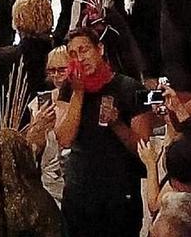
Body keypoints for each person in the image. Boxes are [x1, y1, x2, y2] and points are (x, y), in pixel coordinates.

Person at [54, 27, 152, 237]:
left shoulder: (132, 88)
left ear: (100, 49)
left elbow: (144, 150)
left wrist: (117, 124)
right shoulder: (69, 89)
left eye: (84, 50)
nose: (80, 58)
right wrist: (78, 93)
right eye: (73, 54)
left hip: (118, 195)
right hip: (79, 192)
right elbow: (64, 138)